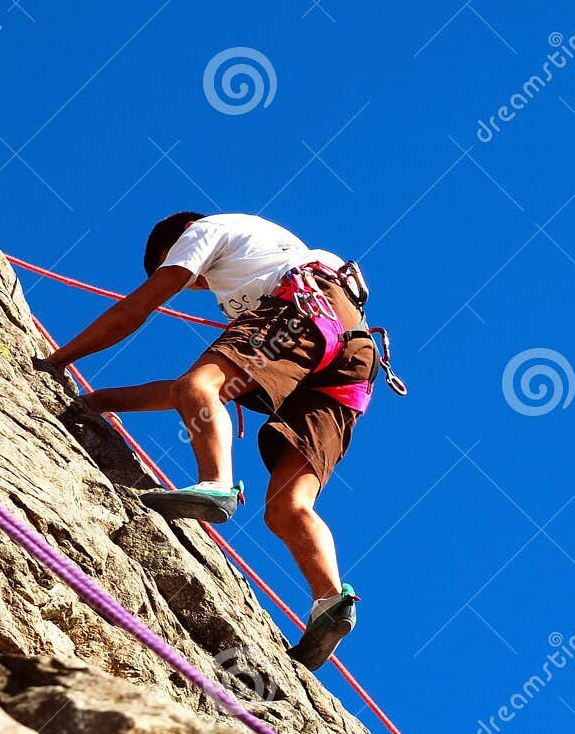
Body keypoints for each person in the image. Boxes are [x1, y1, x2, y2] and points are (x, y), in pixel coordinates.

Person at [35, 211, 381, 670]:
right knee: (288, 506)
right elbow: (188, 392)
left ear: (179, 239)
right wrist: (103, 401)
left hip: (307, 309)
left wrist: (58, 360)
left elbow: (140, 307)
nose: (194, 285)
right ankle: (330, 602)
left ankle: (216, 484)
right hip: (350, 358)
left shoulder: (204, 231)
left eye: (172, 262)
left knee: (202, 385)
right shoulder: (262, 258)